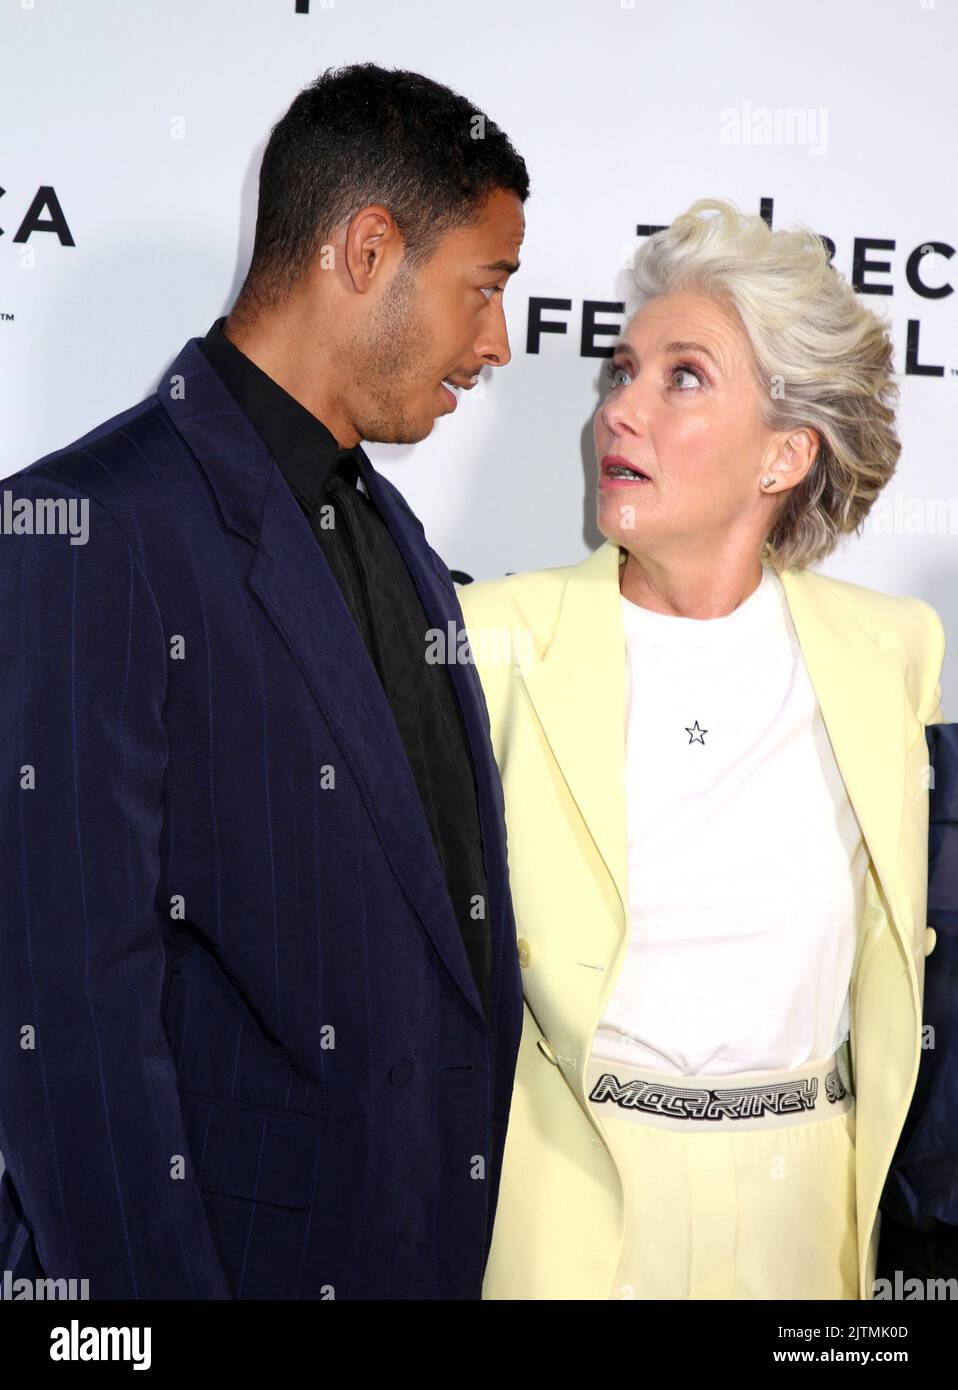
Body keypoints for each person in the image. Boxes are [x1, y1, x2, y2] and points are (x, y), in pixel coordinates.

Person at [0, 62, 527, 1300]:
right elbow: (70, 1020)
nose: (498, 342)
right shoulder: (87, 531)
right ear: (366, 248)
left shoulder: (393, 536)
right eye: (485, 287)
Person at [459, 198, 947, 1301]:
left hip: (809, 1216)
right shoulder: (494, 639)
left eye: (681, 377)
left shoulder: (893, 651)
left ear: (784, 452)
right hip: (566, 1201)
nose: (620, 410)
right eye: (620, 372)